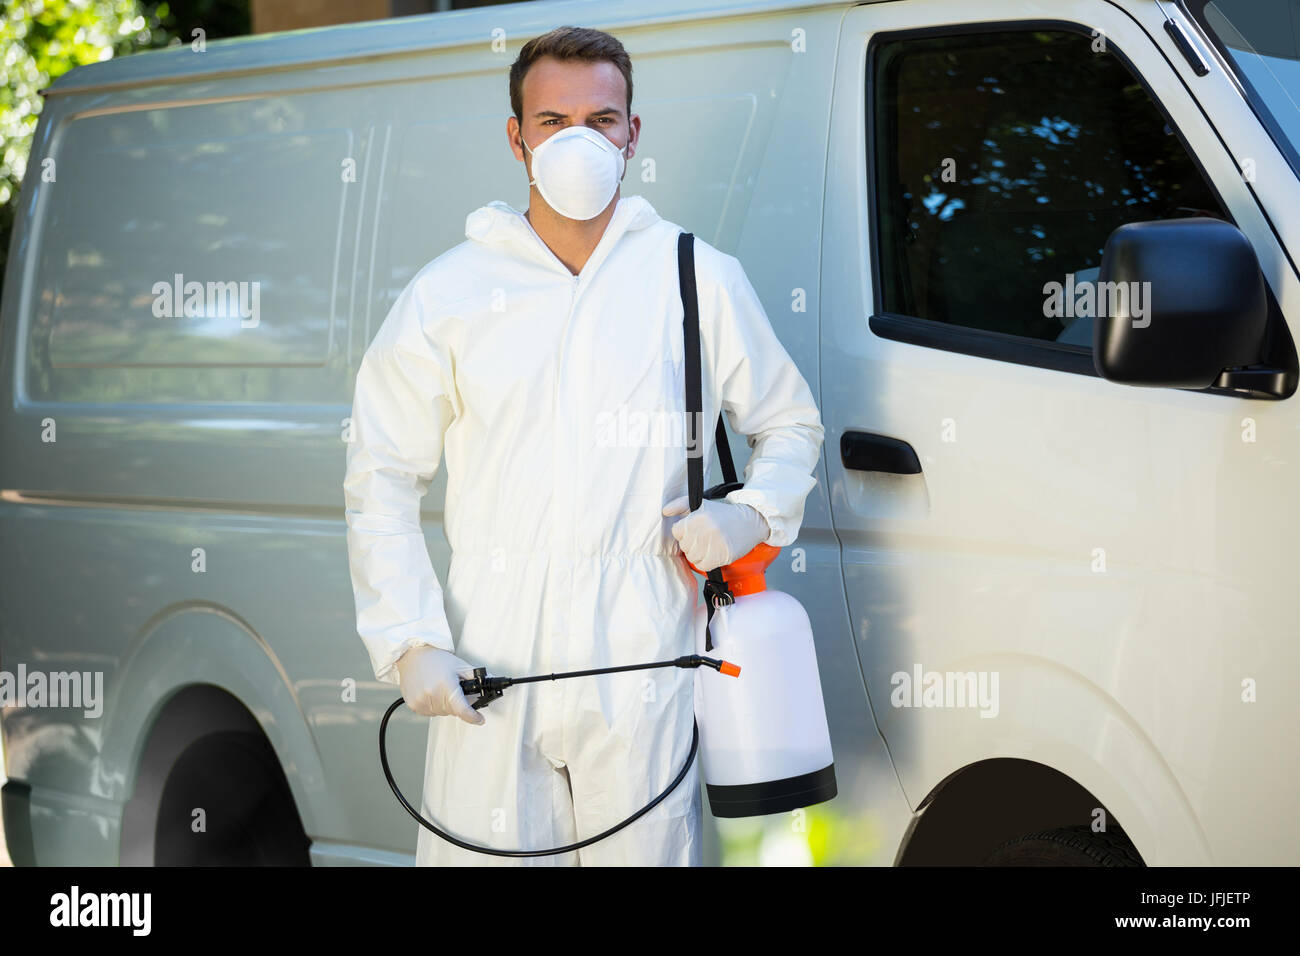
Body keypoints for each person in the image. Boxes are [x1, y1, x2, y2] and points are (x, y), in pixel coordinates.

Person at [344, 25, 824, 866]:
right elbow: (381, 473)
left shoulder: (695, 276)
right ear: (517, 138)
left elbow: (790, 423)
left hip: (643, 655)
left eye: (601, 120)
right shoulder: (450, 293)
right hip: (492, 661)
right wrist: (411, 640)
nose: (580, 140)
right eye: (553, 120)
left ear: (633, 134)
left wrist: (751, 513)